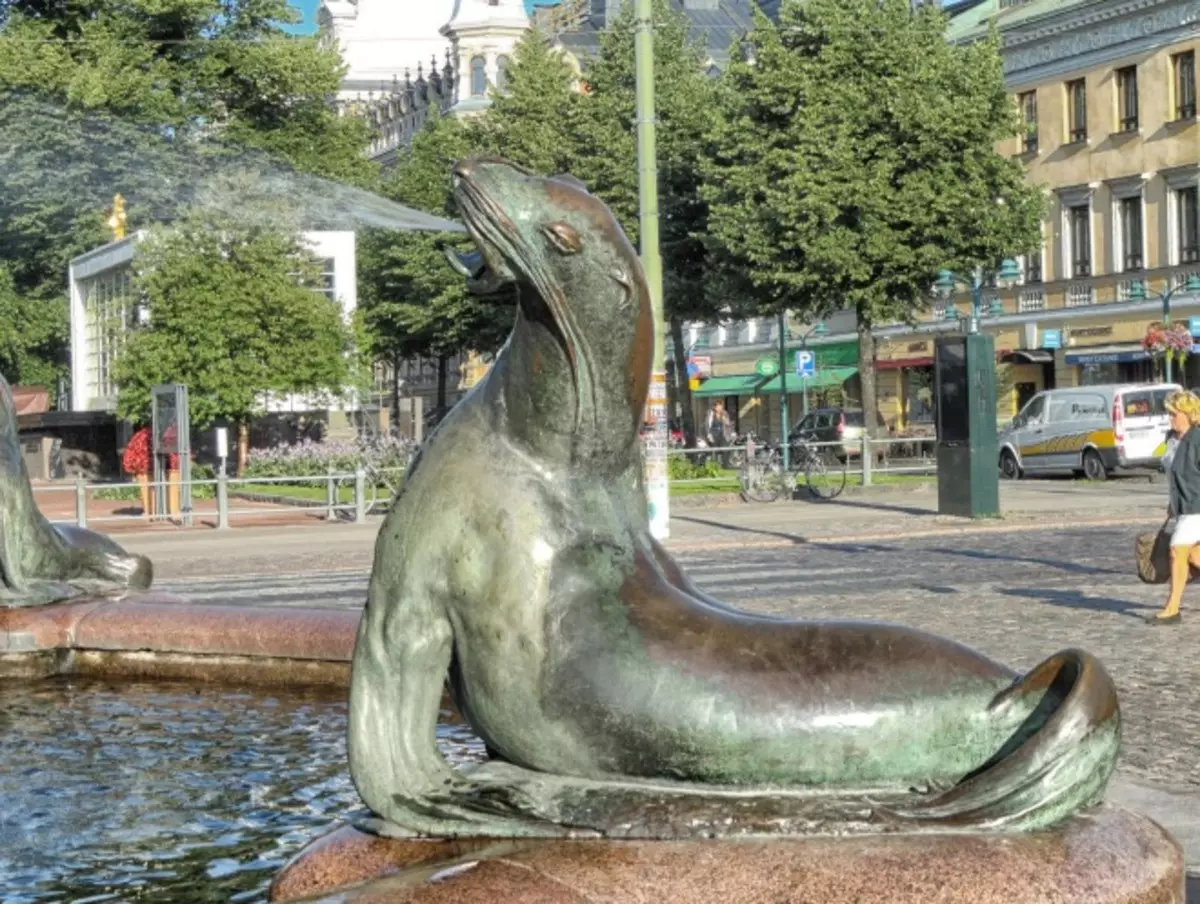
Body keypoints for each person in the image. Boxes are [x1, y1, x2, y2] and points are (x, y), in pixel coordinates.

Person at [1149, 390, 1200, 624]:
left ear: (1189, 414)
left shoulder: (1197, 440)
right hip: (1182, 505)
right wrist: (1172, 502)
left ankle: (1172, 607)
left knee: (1176, 551)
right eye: (1169, 413)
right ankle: (1173, 607)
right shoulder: (1171, 438)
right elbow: (1173, 473)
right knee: (1194, 556)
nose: (1170, 418)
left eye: (1174, 413)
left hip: (1196, 505)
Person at [705, 401, 733, 468]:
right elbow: (707, 424)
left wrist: (725, 419)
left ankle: (725, 465)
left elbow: (728, 424)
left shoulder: (725, 413)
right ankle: (715, 466)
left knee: (726, 449)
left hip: (723, 435)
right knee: (715, 451)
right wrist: (708, 434)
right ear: (715, 407)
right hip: (713, 434)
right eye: (718, 406)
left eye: (721, 406)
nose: (720, 408)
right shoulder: (711, 413)